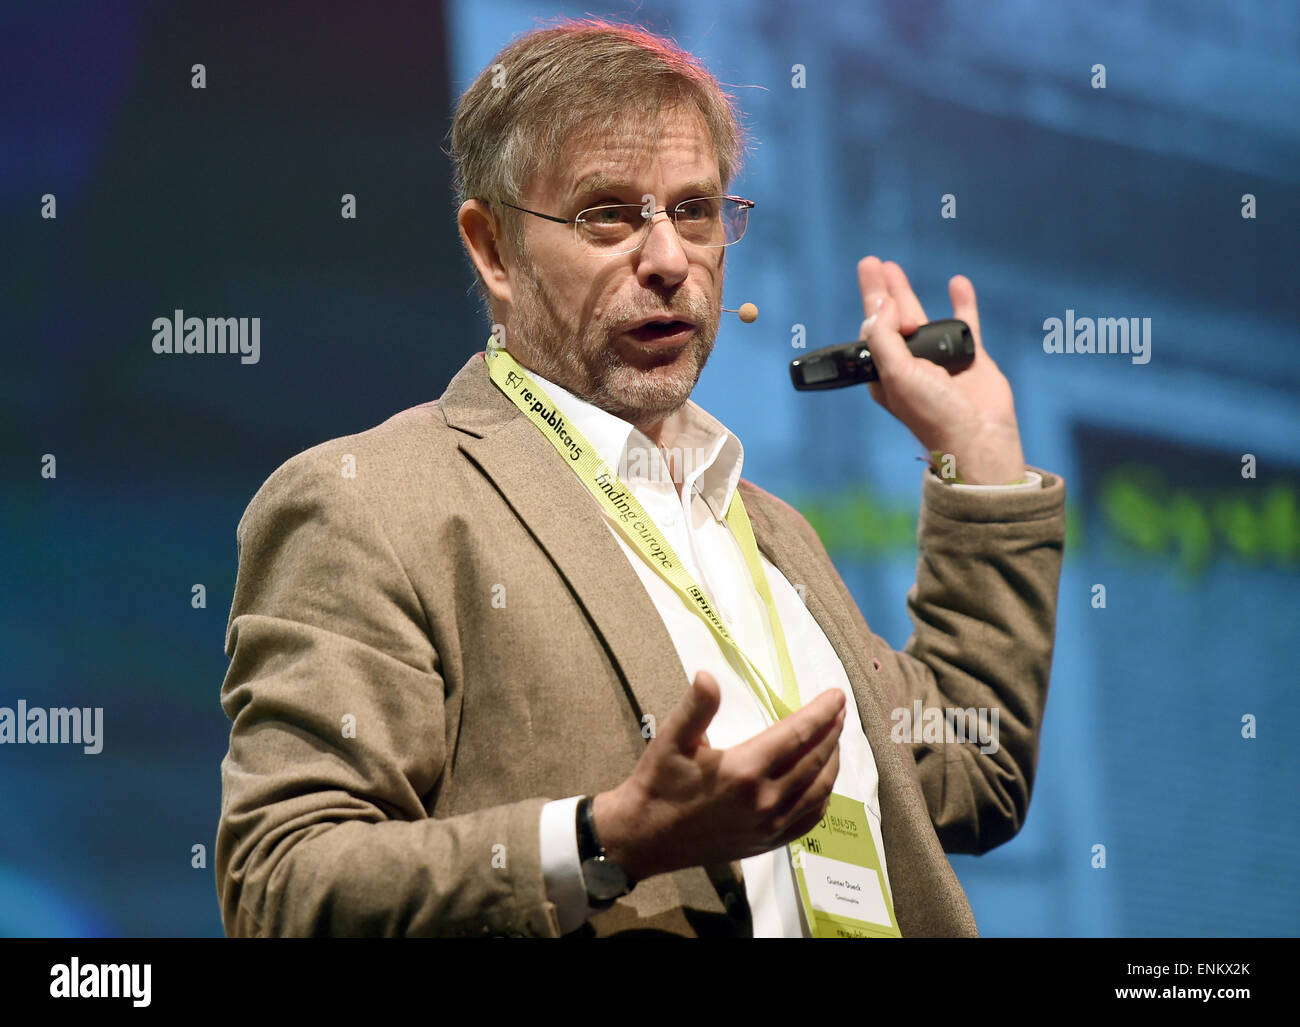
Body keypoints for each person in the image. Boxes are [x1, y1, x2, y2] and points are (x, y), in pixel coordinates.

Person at [215, 18, 1065, 938]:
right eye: (607, 214)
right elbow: (281, 884)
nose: (668, 261)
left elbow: (973, 771)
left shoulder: (773, 534)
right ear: (493, 248)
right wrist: (604, 839)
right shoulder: (374, 503)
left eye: (695, 210)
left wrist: (980, 455)